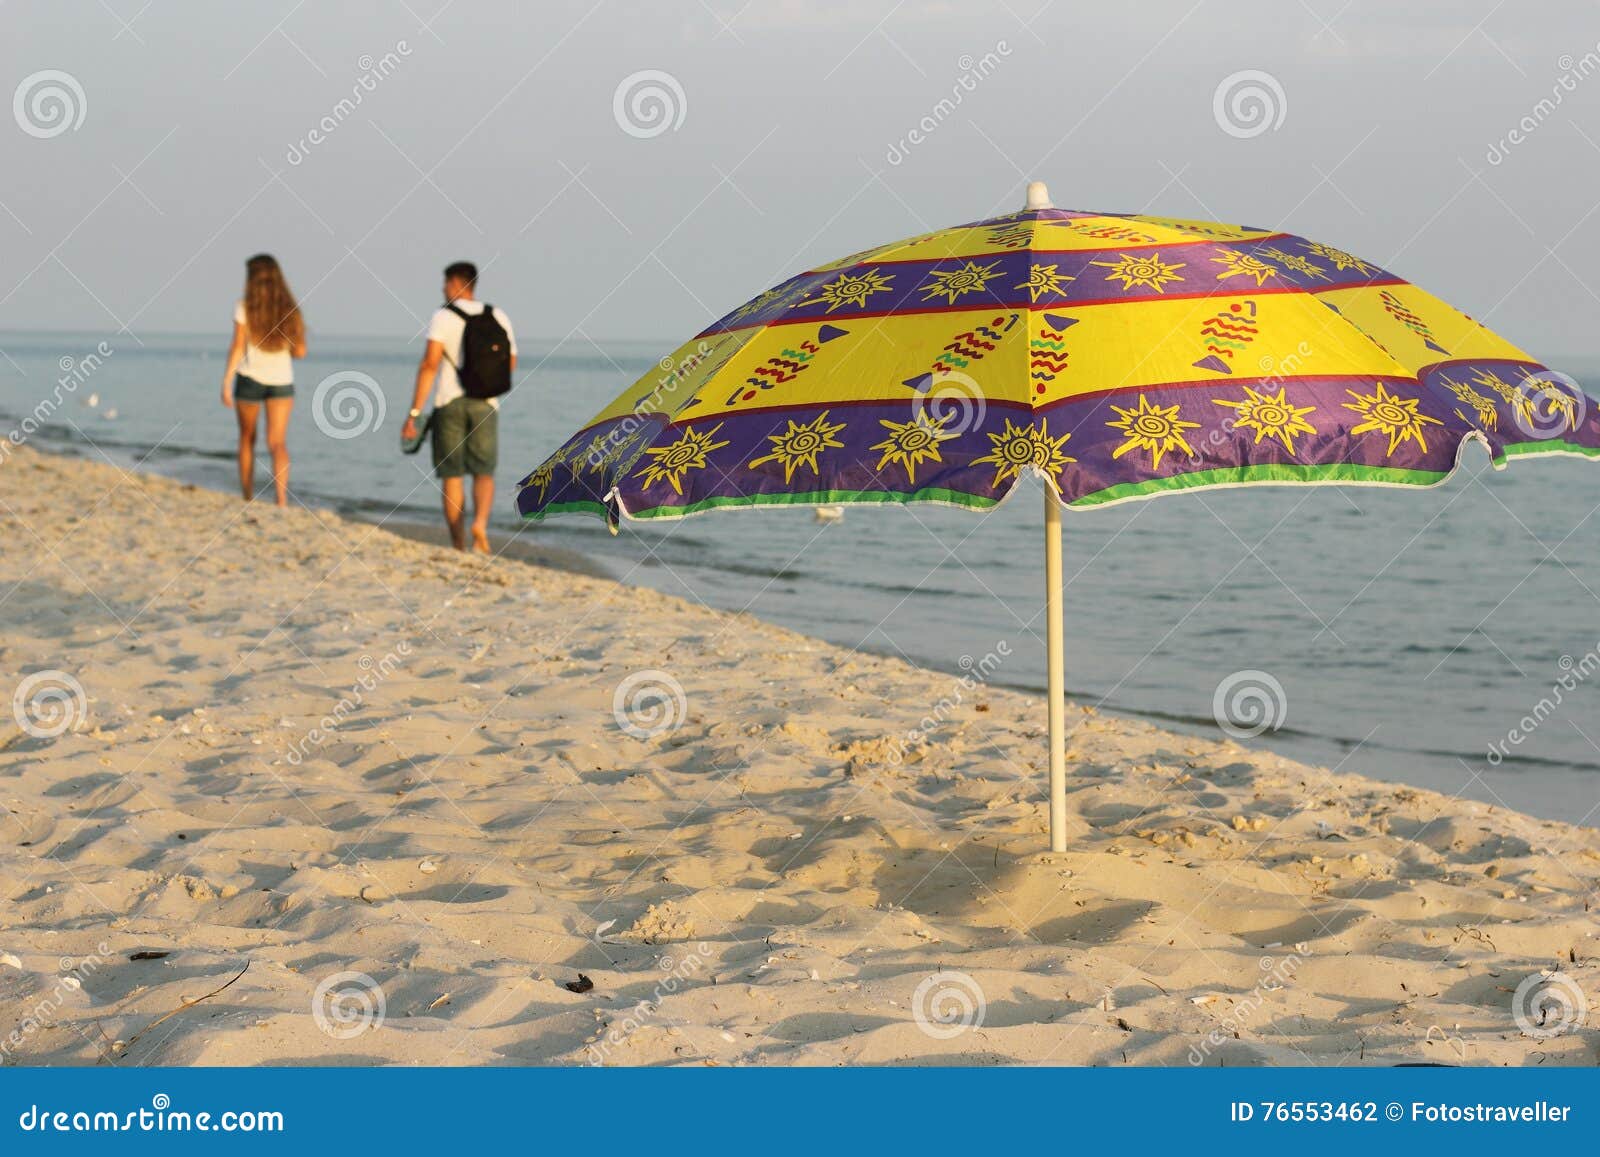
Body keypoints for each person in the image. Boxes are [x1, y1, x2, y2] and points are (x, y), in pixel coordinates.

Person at [402, 262, 517, 553]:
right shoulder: (498, 314)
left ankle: (458, 543)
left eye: (445, 283)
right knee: (484, 472)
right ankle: (480, 522)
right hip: (486, 404)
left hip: (449, 403)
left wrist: (414, 413)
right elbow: (511, 361)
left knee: (452, 474)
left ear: (456, 283)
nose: (443, 289)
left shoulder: (442, 317)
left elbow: (430, 365)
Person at [220, 254, 306, 506]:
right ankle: (281, 499)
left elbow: (237, 346)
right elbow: (300, 352)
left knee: (247, 438)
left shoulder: (244, 306)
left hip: (249, 378)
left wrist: (226, 381)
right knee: (277, 443)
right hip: (281, 380)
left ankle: (247, 496)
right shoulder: (289, 309)